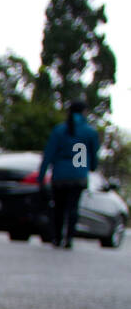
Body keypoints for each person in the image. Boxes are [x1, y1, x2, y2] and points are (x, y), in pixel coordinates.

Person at [39, 100, 101, 249]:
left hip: (60, 175)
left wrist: (41, 175)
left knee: (58, 207)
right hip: (78, 174)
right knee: (73, 208)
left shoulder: (59, 130)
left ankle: (57, 237)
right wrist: (92, 168)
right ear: (84, 112)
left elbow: (49, 154)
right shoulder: (90, 132)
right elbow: (94, 154)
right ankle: (69, 238)